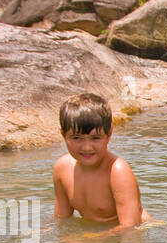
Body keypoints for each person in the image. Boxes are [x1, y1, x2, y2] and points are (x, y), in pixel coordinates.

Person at [53, 94, 148, 229]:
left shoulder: (117, 171)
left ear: (109, 134)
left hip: (140, 231)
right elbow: (61, 219)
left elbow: (130, 229)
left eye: (95, 138)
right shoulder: (61, 168)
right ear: (63, 134)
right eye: (76, 138)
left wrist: (90, 240)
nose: (87, 147)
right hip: (99, 235)